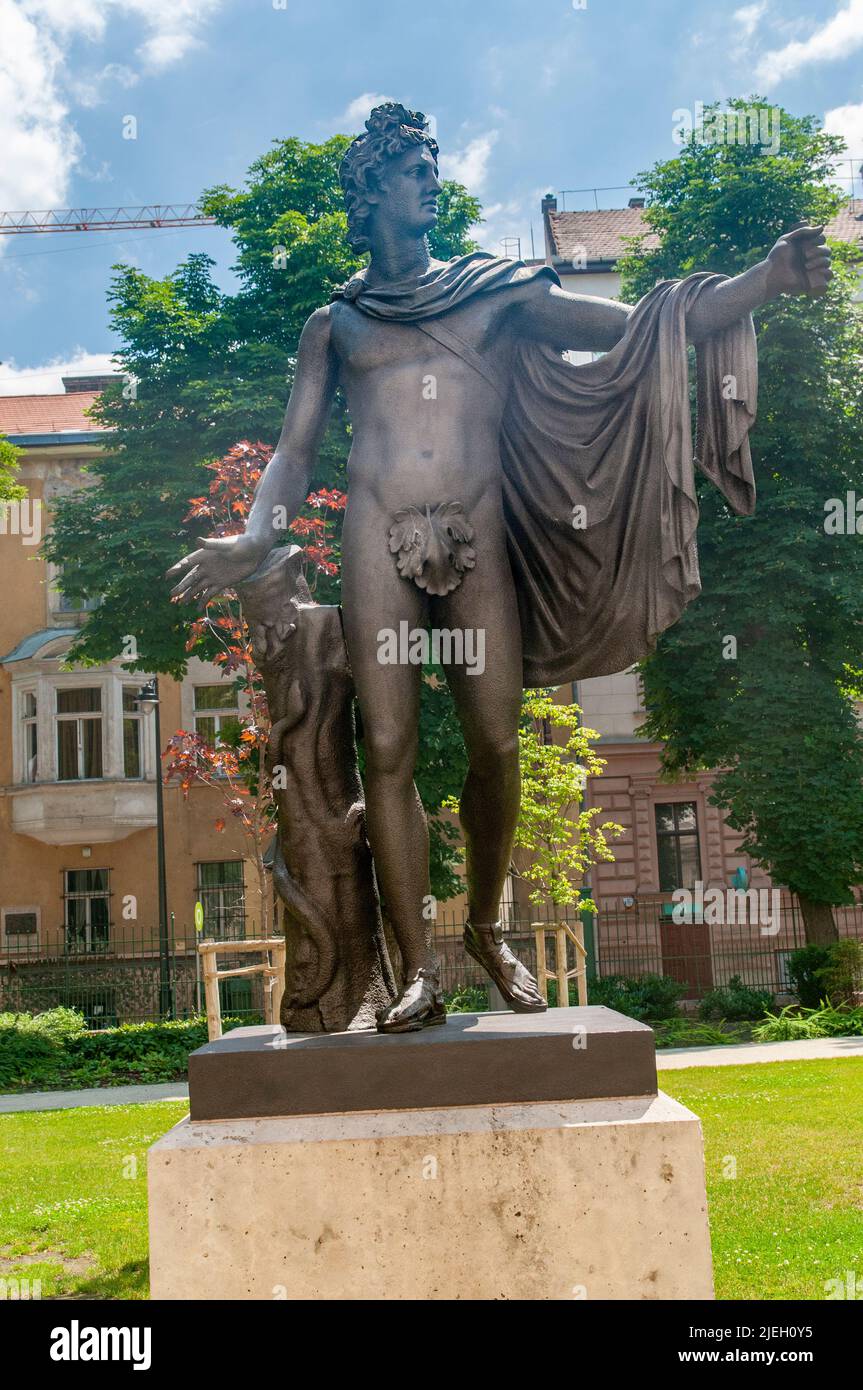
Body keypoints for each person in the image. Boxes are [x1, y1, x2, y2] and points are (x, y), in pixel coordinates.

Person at [169, 103, 831, 1032]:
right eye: (410, 169)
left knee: (496, 744)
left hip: (477, 530)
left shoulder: (495, 293)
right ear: (368, 193)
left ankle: (484, 926)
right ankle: (415, 971)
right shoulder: (337, 324)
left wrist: (759, 282)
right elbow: (295, 450)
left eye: (434, 166)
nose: (431, 180)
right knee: (387, 750)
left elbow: (639, 325)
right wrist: (253, 534)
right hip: (376, 532)